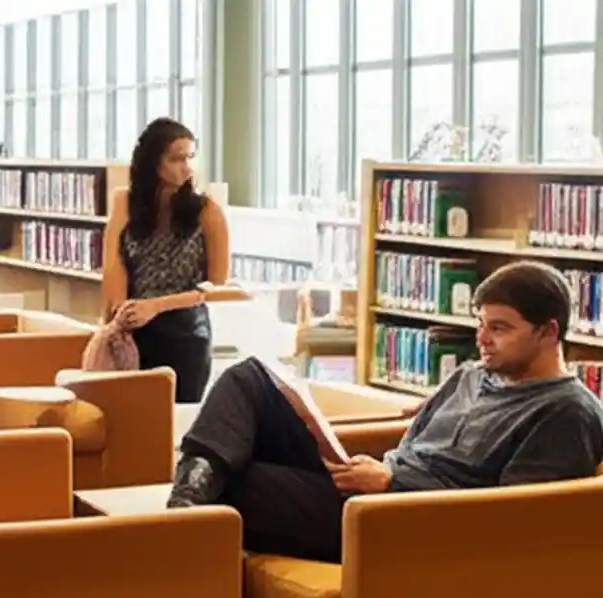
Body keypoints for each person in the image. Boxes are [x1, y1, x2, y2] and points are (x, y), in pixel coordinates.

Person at [166, 260, 603, 563]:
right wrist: (375, 470)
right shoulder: (471, 375)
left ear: (548, 333)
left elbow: (507, 523)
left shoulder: (567, 412)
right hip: (371, 490)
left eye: (500, 328)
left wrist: (394, 483)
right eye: (481, 324)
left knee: (235, 477)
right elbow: (411, 444)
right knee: (249, 376)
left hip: (405, 525)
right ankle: (182, 512)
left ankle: (176, 532)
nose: (482, 339)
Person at [101, 117, 230, 403]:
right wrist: (115, 319)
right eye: (176, 158)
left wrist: (156, 306)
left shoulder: (207, 211)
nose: (186, 167)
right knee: (132, 423)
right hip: (133, 330)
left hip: (186, 334)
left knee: (176, 423)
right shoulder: (125, 203)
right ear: (153, 161)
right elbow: (113, 265)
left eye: (189, 157)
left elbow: (216, 287)